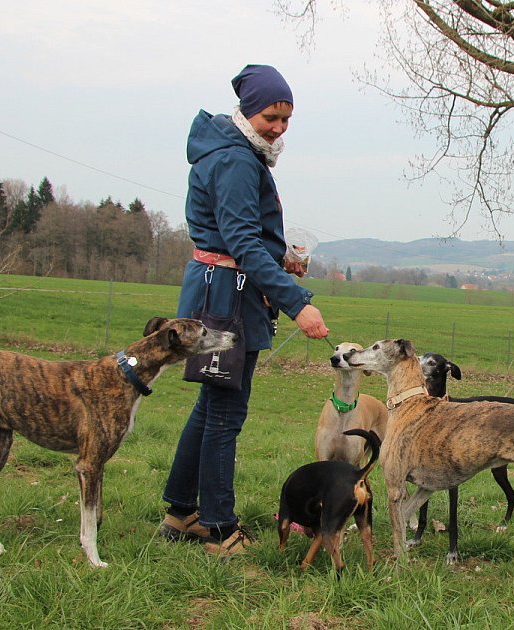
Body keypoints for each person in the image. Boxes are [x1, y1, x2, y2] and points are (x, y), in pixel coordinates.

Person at [157, 64, 329, 556]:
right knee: (225, 413)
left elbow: (245, 241)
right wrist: (298, 304)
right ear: (246, 112)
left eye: (286, 119)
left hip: (221, 290)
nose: (277, 127)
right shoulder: (235, 160)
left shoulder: (236, 153)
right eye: (269, 116)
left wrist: (282, 261)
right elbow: (240, 241)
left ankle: (180, 511)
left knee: (211, 405)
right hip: (225, 300)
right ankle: (216, 526)